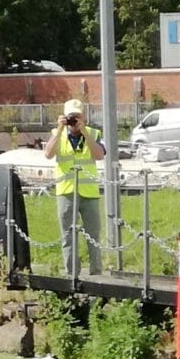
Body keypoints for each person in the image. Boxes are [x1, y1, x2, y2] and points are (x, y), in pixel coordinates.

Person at [41, 98, 106, 271]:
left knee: (94, 236)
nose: (73, 122)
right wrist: (60, 129)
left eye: (77, 117)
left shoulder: (93, 133)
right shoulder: (58, 133)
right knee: (68, 236)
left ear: (83, 117)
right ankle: (71, 273)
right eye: (71, 117)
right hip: (66, 192)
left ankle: (96, 273)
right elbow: (48, 154)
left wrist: (85, 132)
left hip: (89, 193)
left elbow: (99, 155)